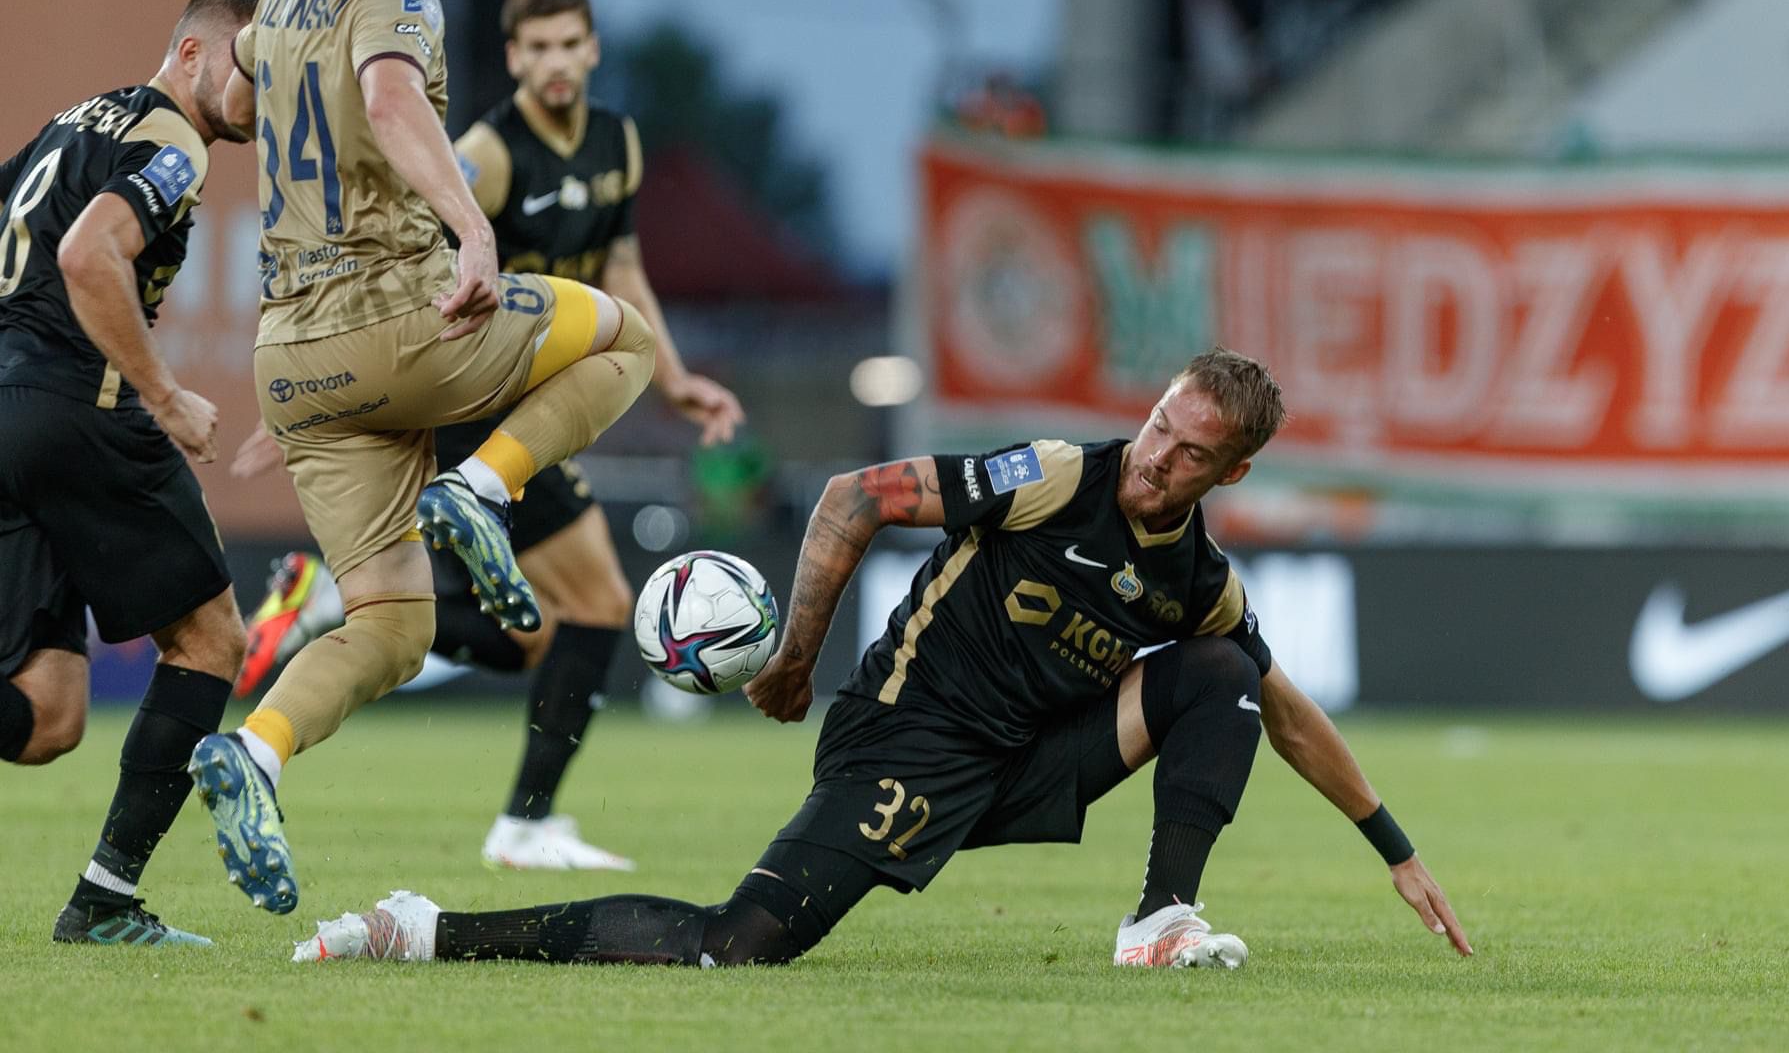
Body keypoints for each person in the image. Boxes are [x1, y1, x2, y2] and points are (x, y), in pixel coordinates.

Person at [291, 348, 1473, 969]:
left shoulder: (1197, 577)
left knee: (1223, 674)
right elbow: (858, 496)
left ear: (1231, 474)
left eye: (1188, 450)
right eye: (1161, 423)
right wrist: (798, 659)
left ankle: (1161, 918)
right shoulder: (1057, 474)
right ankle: (426, 927)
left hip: (1026, 762)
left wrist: (1397, 849)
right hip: (909, 735)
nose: (1156, 456)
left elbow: (1285, 708)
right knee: (735, 943)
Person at [187, 0, 660, 917]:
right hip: (396, 318)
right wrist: (473, 233)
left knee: (393, 625)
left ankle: (254, 753)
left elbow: (239, 93)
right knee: (623, 334)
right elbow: (395, 99)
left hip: (292, 360)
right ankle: (480, 487)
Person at [233, 0, 745, 871]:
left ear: (591, 51)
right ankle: (526, 825)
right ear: (513, 59)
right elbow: (407, 244)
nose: (553, 62)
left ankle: (325, 601)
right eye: (535, 48)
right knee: (600, 604)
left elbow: (625, 273)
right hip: (481, 407)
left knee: (529, 640)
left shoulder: (617, 144)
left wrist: (678, 380)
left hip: (534, 406)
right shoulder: (486, 154)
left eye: (568, 45)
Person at [0, 0, 262, 946]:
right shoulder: (172, 138)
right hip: (81, 411)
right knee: (210, 642)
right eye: (252, 69)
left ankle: (104, 897)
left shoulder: (77, 120)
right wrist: (161, 392)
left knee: (48, 712)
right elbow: (84, 256)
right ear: (192, 52)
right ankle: (105, 898)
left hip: (10, 412)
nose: (260, 97)